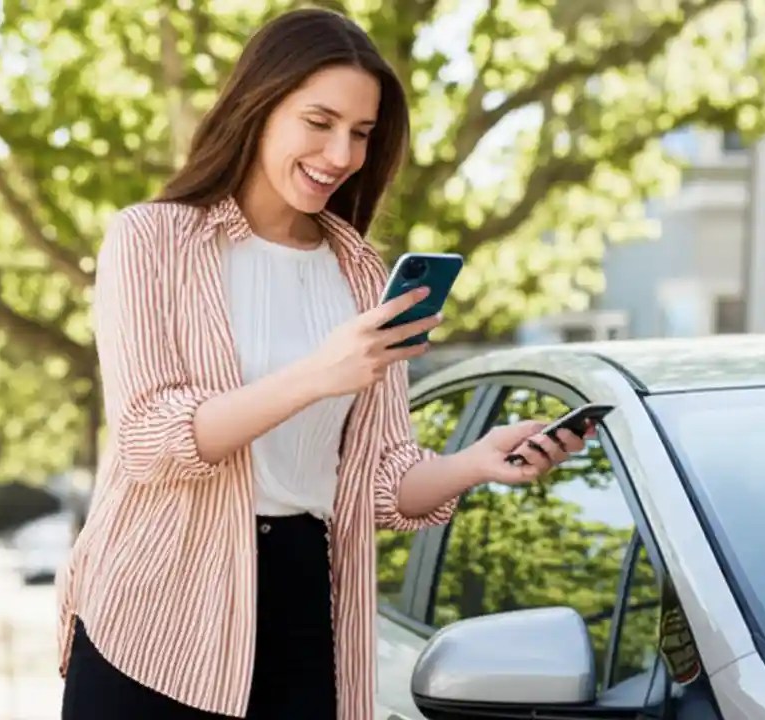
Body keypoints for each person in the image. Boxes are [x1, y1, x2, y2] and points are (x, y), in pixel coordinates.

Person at [56, 8, 588, 720]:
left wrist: (477, 461)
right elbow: (150, 439)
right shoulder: (153, 240)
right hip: (160, 612)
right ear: (259, 105)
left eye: (361, 134)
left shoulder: (363, 276)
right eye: (320, 122)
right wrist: (318, 373)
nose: (341, 154)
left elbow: (379, 481)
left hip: (303, 602)